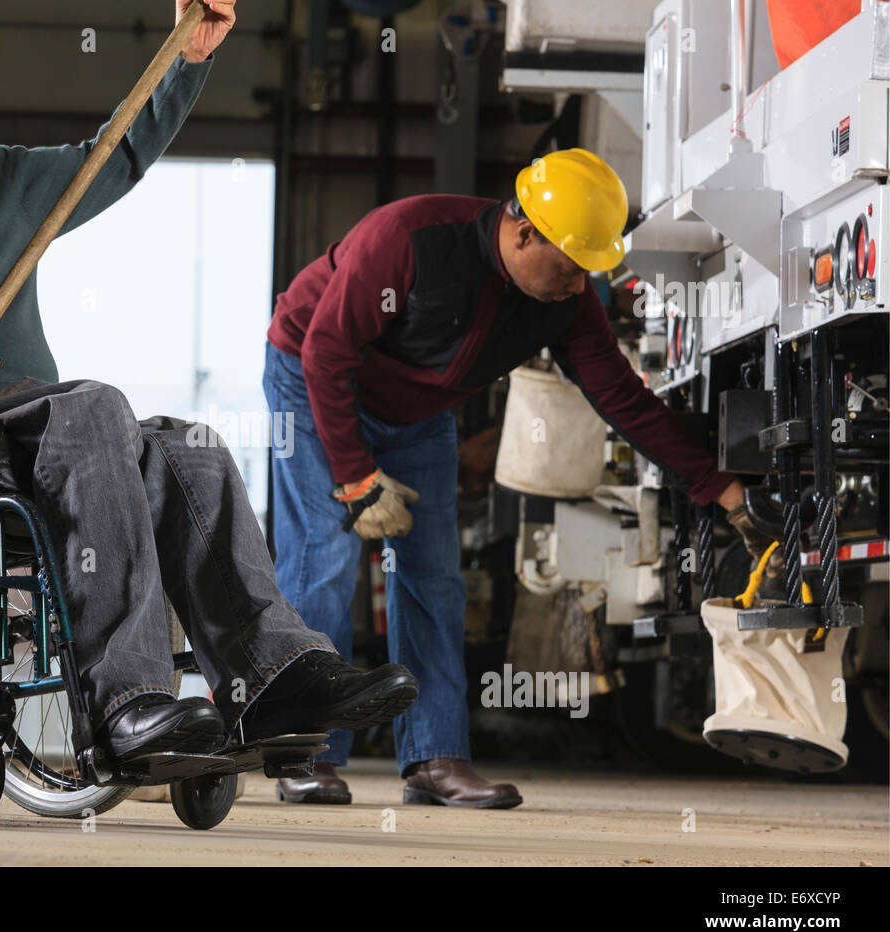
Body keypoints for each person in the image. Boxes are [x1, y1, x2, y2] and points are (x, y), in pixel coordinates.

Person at [0, 0, 418, 763]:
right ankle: (128, 705)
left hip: (44, 433)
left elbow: (115, 157)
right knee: (92, 408)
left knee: (191, 447)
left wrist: (190, 56)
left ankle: (273, 681)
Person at [262, 148, 769, 808]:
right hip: (312, 381)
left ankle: (435, 757)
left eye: (588, 272)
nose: (576, 286)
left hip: (417, 415)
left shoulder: (566, 299)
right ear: (525, 232)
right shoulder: (408, 238)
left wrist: (718, 486)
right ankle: (304, 754)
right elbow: (328, 348)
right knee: (324, 559)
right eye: (568, 268)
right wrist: (357, 477)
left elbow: (621, 398)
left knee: (434, 576)